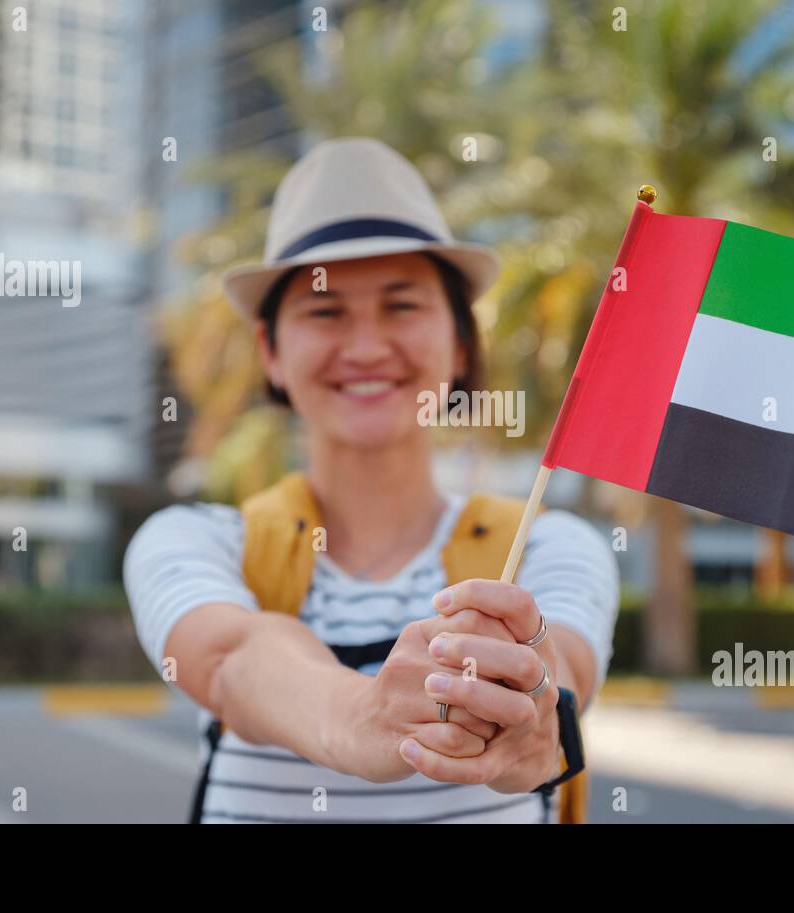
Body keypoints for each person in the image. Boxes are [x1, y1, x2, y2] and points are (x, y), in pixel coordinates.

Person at [124, 137, 618, 823]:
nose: (364, 348)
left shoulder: (549, 546)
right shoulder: (195, 540)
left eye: (402, 305)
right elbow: (235, 655)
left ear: (461, 342)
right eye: (325, 311)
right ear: (270, 352)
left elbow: (561, 677)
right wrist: (364, 718)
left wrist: (535, 722)